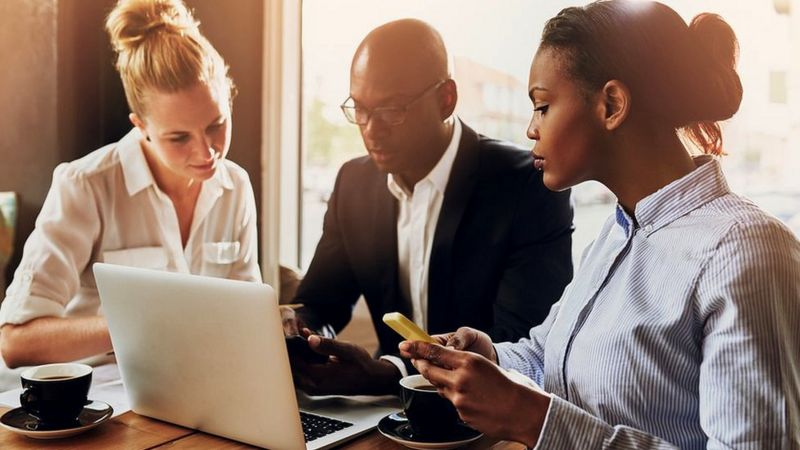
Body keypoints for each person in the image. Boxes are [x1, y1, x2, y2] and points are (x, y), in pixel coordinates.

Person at [400, 1, 800, 448]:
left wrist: (535, 422)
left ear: (611, 104)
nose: (532, 130)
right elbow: (549, 359)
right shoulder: (615, 236)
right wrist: (489, 356)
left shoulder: (744, 252)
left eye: (542, 106)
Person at [284, 19, 574, 396]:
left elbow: (521, 346)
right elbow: (324, 303)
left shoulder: (525, 186)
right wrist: (302, 335)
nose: (370, 129)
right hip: (384, 409)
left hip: (487, 421)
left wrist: (389, 372)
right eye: (359, 108)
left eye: (391, 110)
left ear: (446, 99)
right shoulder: (353, 183)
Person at [0, 0, 260, 389]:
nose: (207, 152)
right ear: (141, 126)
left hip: (199, 388)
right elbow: (16, 342)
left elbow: (245, 319)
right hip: (97, 397)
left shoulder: (235, 186)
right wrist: (145, 322)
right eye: (179, 138)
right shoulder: (85, 185)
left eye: (217, 124)